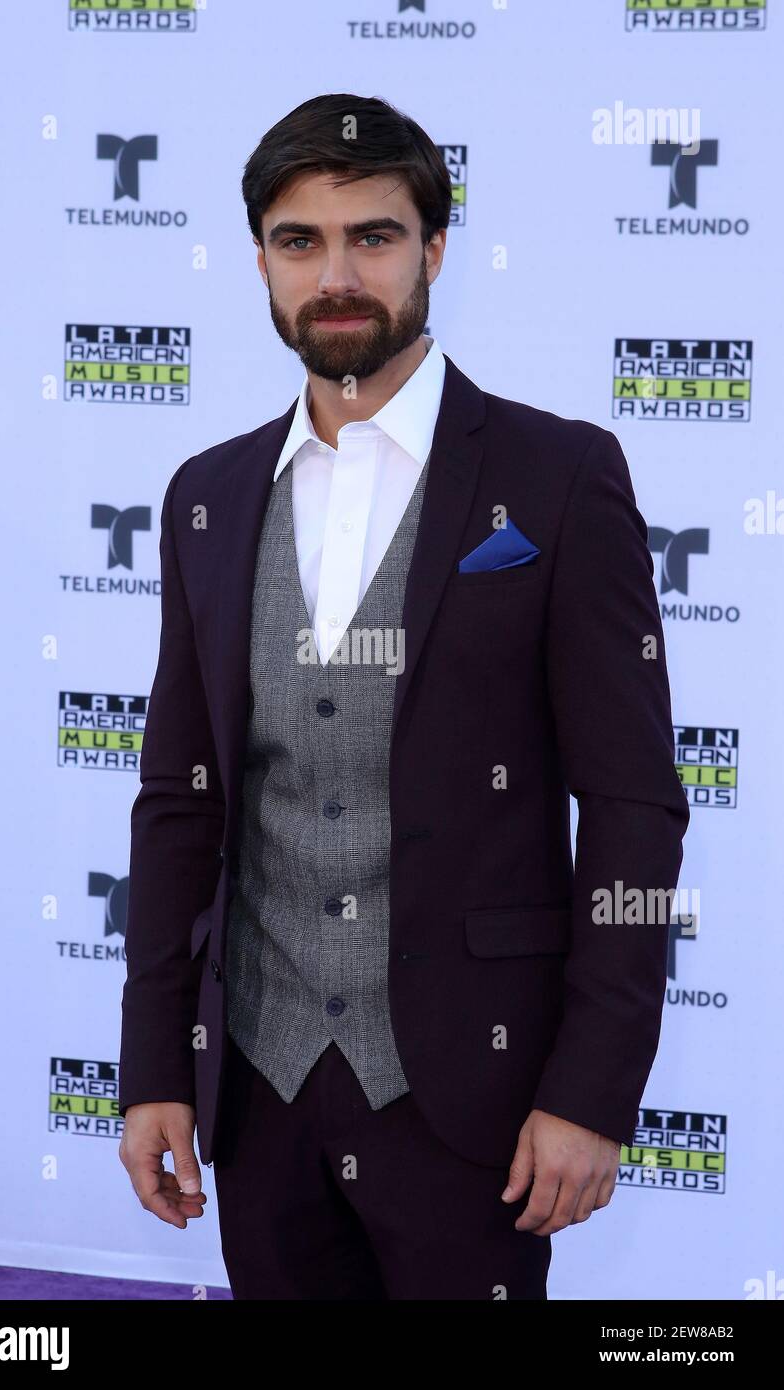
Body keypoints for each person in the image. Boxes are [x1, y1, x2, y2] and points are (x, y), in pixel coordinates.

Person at [117, 93, 690, 1300]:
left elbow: (634, 810)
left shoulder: (558, 476)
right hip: (260, 1099)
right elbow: (179, 802)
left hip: (474, 1105)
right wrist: (152, 1065)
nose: (336, 275)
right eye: (298, 240)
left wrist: (589, 1091)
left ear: (433, 251)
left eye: (372, 236)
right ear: (261, 261)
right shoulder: (206, 497)